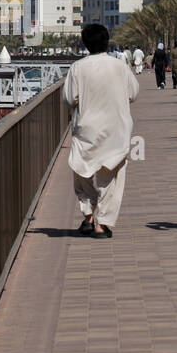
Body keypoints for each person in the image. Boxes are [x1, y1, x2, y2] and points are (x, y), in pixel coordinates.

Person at [64, 23, 140, 238]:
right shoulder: (119, 66)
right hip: (116, 128)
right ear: (107, 42)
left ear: (85, 44)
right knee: (112, 176)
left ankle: (88, 215)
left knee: (81, 171)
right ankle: (103, 224)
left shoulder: (78, 67)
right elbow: (133, 94)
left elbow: (69, 98)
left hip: (87, 129)